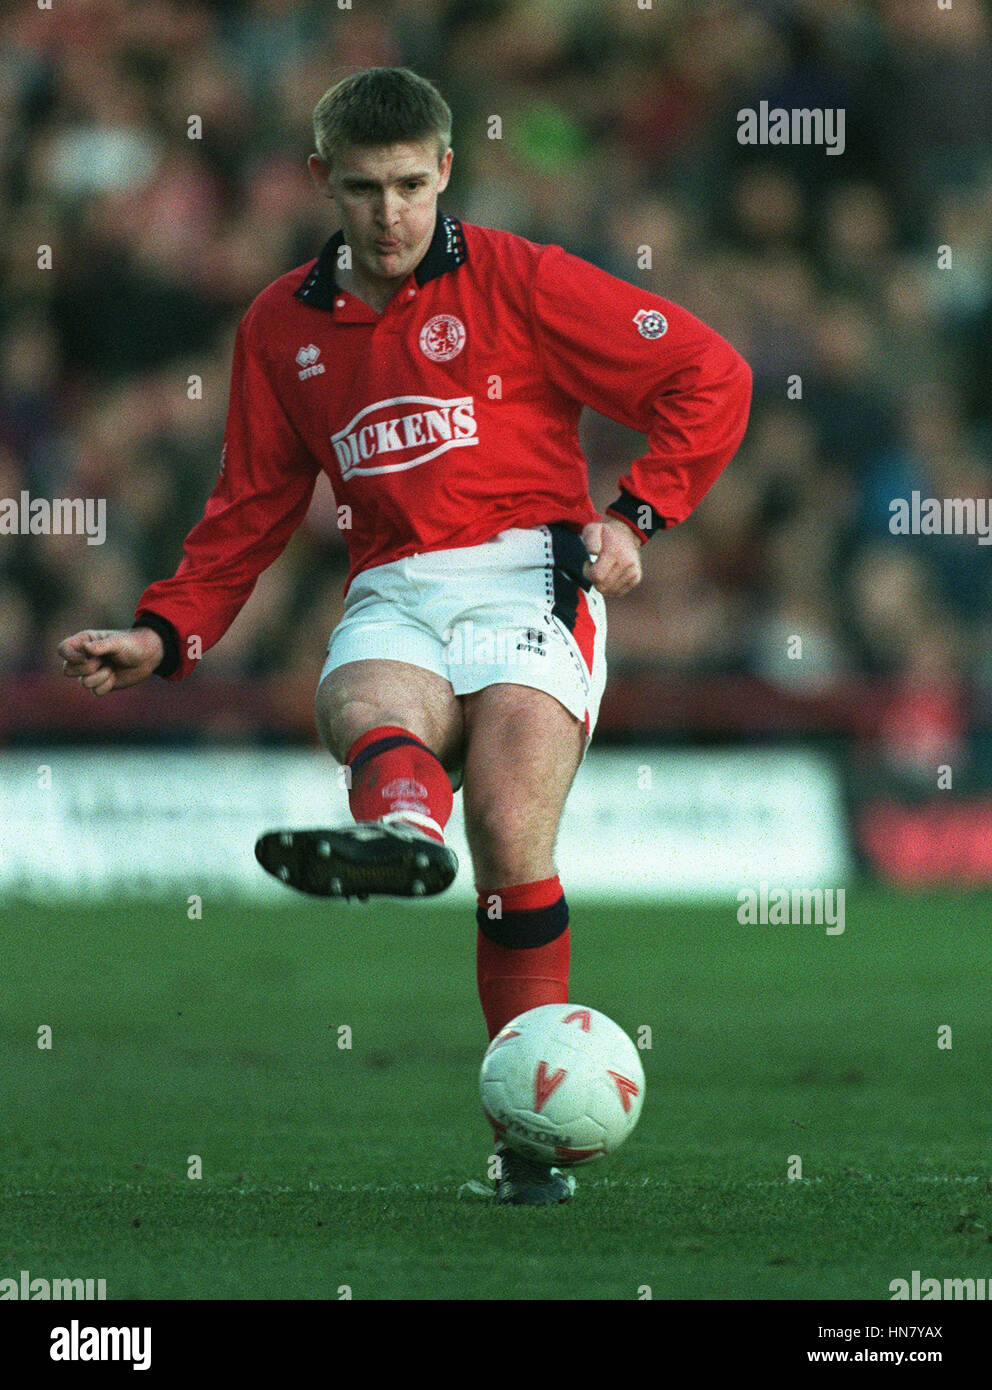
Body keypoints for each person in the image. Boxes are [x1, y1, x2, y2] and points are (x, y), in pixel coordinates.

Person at [58, 67, 751, 1204]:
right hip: (394, 580)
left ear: (445, 173)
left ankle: (526, 1148)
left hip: (532, 569)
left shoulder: (521, 278)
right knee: (362, 705)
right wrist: (162, 633)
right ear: (322, 179)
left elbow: (708, 376)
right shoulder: (280, 326)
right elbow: (248, 508)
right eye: (366, 189)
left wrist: (635, 518)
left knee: (511, 825)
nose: (389, 214)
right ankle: (400, 836)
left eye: (410, 187)